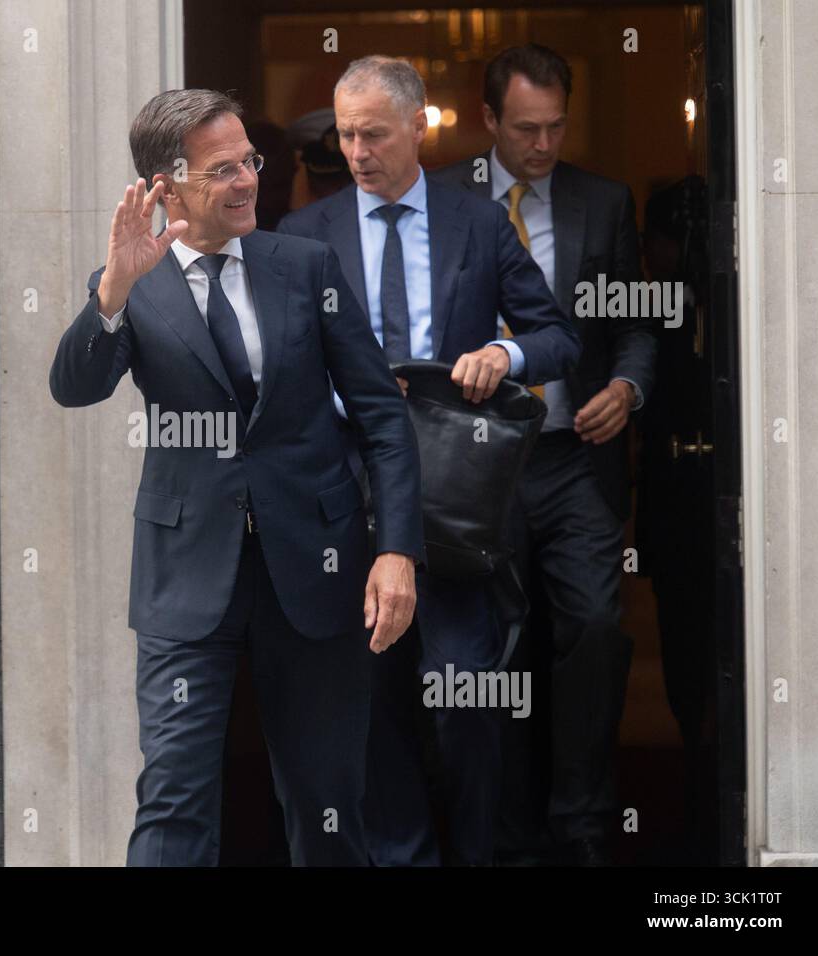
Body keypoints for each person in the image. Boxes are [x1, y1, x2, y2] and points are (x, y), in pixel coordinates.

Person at [49, 88, 425, 866]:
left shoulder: (304, 265)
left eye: (249, 160)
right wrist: (113, 290)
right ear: (167, 186)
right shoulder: (131, 282)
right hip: (186, 578)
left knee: (326, 802)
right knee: (175, 799)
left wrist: (396, 551)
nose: (248, 179)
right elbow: (74, 386)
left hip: (315, 568)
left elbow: (381, 418)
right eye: (223, 169)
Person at [279, 55, 581, 866]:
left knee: (467, 700)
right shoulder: (304, 236)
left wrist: (504, 354)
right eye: (345, 135)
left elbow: (559, 335)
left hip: (455, 498)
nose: (356, 151)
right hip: (344, 491)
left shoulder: (477, 224)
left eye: (373, 133)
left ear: (420, 125)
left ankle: (483, 854)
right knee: (371, 704)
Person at [430, 43, 658, 865]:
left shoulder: (603, 201)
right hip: (476, 463)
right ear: (488, 119)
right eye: (525, 128)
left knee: (594, 630)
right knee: (489, 652)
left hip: (571, 460)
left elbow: (634, 319)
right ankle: (499, 836)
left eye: (556, 127)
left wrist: (629, 387)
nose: (543, 145)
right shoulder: (442, 198)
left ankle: (585, 827)